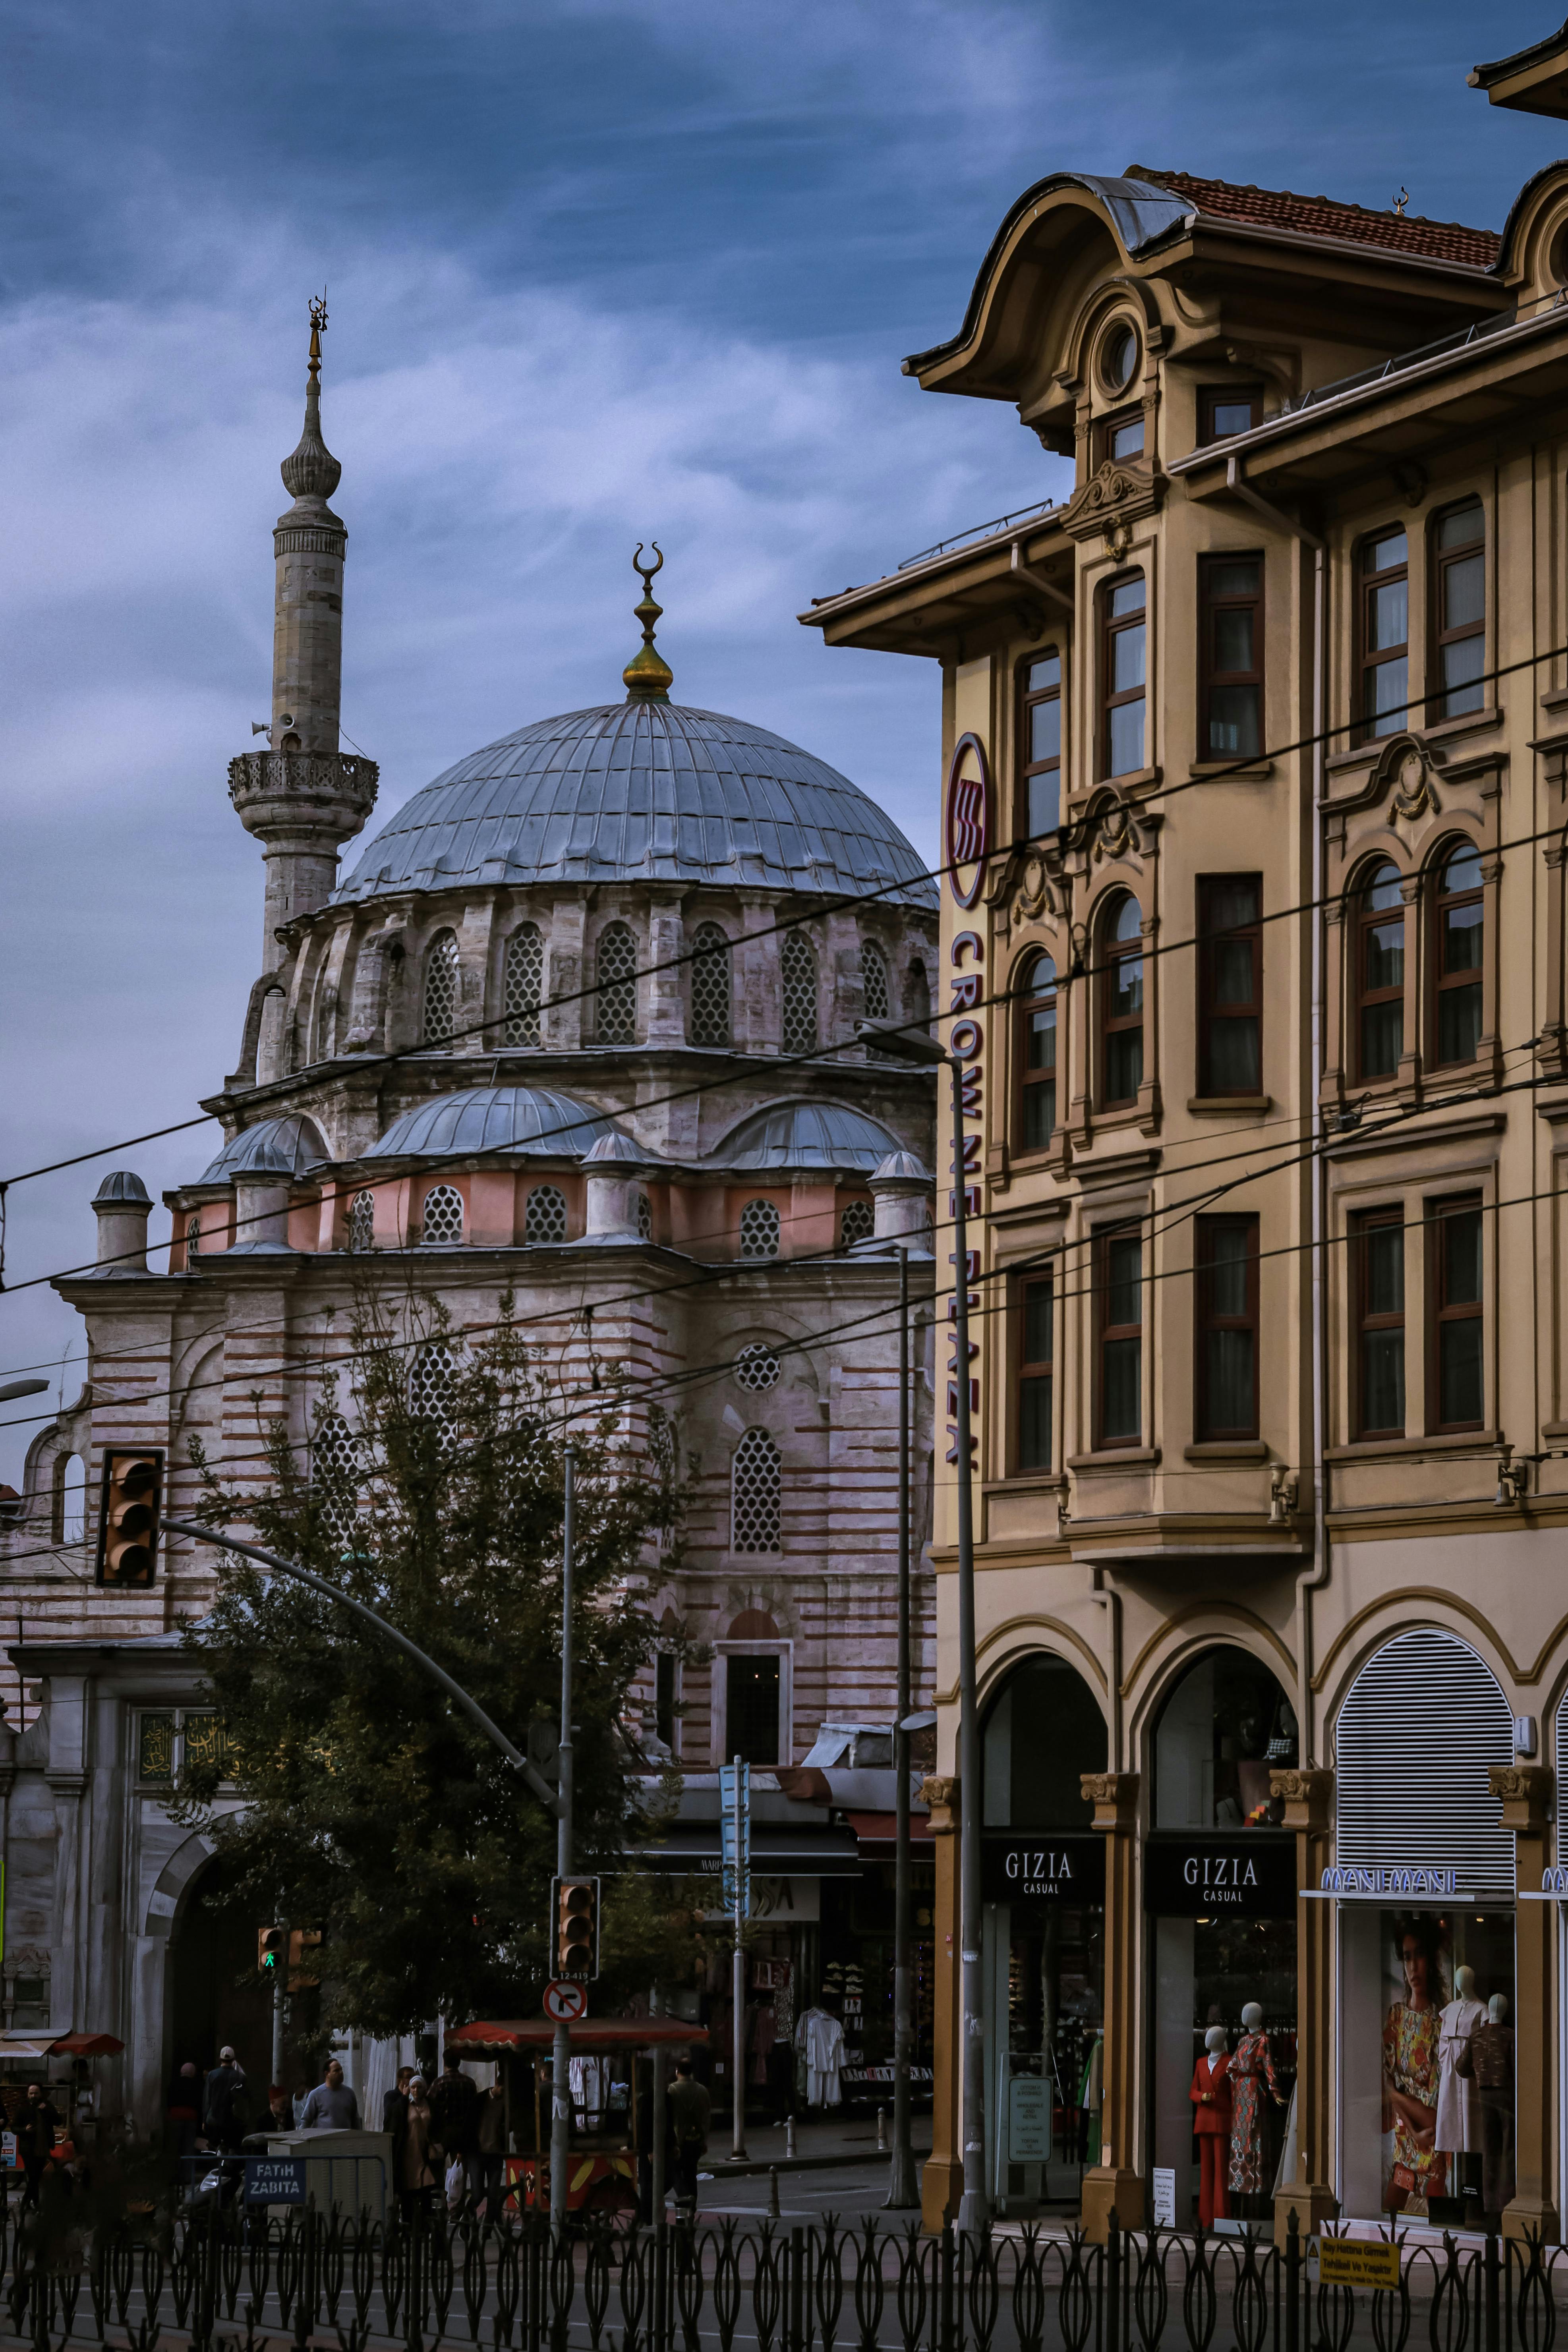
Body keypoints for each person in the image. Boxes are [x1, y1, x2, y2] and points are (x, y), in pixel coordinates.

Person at [1382, 1919, 1447, 2212]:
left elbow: (1434, 2116)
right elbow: (1384, 2086)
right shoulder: (1396, 2017)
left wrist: (1394, 2095)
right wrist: (1411, 2129)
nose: (1412, 1966)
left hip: (1432, 2147)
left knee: (1439, 2229)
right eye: (1407, 1956)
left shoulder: (1439, 2023)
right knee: (1389, 2217)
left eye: (1418, 1955)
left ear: (1431, 1960)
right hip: (1405, 2140)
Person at [428, 2053, 482, 2211]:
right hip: (465, 2132)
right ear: (459, 2063)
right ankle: (459, 2203)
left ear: (445, 2063)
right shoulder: (470, 2083)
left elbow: (431, 2105)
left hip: (444, 2132)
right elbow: (475, 2107)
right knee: (461, 2169)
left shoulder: (439, 2083)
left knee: (438, 2166)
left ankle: (442, 2201)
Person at [668, 2059, 710, 2215]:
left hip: (679, 2140)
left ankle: (685, 2198)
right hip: (697, 2139)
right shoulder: (702, 2090)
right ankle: (692, 2207)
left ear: (677, 2071)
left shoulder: (672, 2090)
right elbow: (707, 2118)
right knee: (692, 2174)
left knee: (675, 2172)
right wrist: (705, 2140)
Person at [400, 2077, 436, 2221]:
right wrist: (403, 2097)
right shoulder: (405, 2105)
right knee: (409, 2188)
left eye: (419, 2087)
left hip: (426, 2152)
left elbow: (438, 2125)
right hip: (409, 2152)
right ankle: (409, 2223)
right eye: (413, 2087)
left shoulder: (431, 2105)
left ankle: (426, 2222)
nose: (416, 2090)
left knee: (427, 2188)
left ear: (425, 2089)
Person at [20, 2082, 61, 2209]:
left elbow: (58, 2121)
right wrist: (25, 2130)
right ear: (28, 2095)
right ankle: (32, 2204)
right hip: (28, 2149)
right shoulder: (23, 2108)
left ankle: (28, 2204)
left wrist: (46, 2110)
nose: (33, 2096)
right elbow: (15, 2127)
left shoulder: (47, 2106)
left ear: (41, 2094)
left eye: (36, 2093)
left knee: (36, 2178)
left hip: (43, 2148)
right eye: (31, 2093)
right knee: (33, 2177)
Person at [203, 2047, 250, 2154]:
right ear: (233, 2059)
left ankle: (217, 2167)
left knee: (215, 2148)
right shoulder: (240, 2077)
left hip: (214, 2119)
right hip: (233, 2121)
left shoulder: (212, 2075)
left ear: (221, 2059)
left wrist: (205, 2119)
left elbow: (207, 2099)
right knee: (232, 2148)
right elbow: (244, 2100)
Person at [299, 2057, 361, 2131]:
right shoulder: (316, 2094)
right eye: (336, 2071)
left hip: (344, 2140)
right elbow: (306, 2121)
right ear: (327, 2074)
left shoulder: (350, 2093)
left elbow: (356, 2120)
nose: (341, 2072)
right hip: (324, 2140)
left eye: (341, 2069)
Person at [477, 2080, 507, 2219]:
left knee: (493, 2192)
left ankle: (488, 2230)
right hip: (478, 2153)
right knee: (477, 2193)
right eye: (503, 2090)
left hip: (496, 2153)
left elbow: (508, 2124)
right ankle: (465, 2214)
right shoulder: (480, 2099)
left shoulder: (505, 2103)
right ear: (497, 2085)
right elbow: (470, 2123)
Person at [383, 2065, 413, 2184]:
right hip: (395, 2140)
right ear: (401, 2080)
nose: (411, 2080)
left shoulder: (415, 2096)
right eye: (408, 2077)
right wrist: (405, 2097)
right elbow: (392, 2113)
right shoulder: (391, 2096)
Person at [168, 2062, 201, 2163]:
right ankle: (188, 2176)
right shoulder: (196, 2085)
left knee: (174, 2146)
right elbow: (199, 2102)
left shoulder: (174, 2083)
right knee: (189, 2146)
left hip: (175, 2116)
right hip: (191, 2117)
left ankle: (174, 2173)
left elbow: (169, 2100)